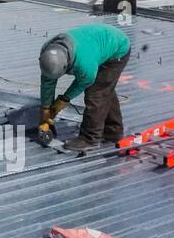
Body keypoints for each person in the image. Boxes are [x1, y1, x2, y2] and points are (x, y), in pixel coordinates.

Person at [38, 22, 132, 151]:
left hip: (118, 48)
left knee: (96, 93)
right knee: (106, 90)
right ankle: (113, 132)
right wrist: (45, 108)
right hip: (97, 42)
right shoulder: (48, 52)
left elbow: (83, 83)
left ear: (67, 65)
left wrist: (64, 99)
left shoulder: (84, 63)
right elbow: (47, 81)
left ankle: (90, 138)